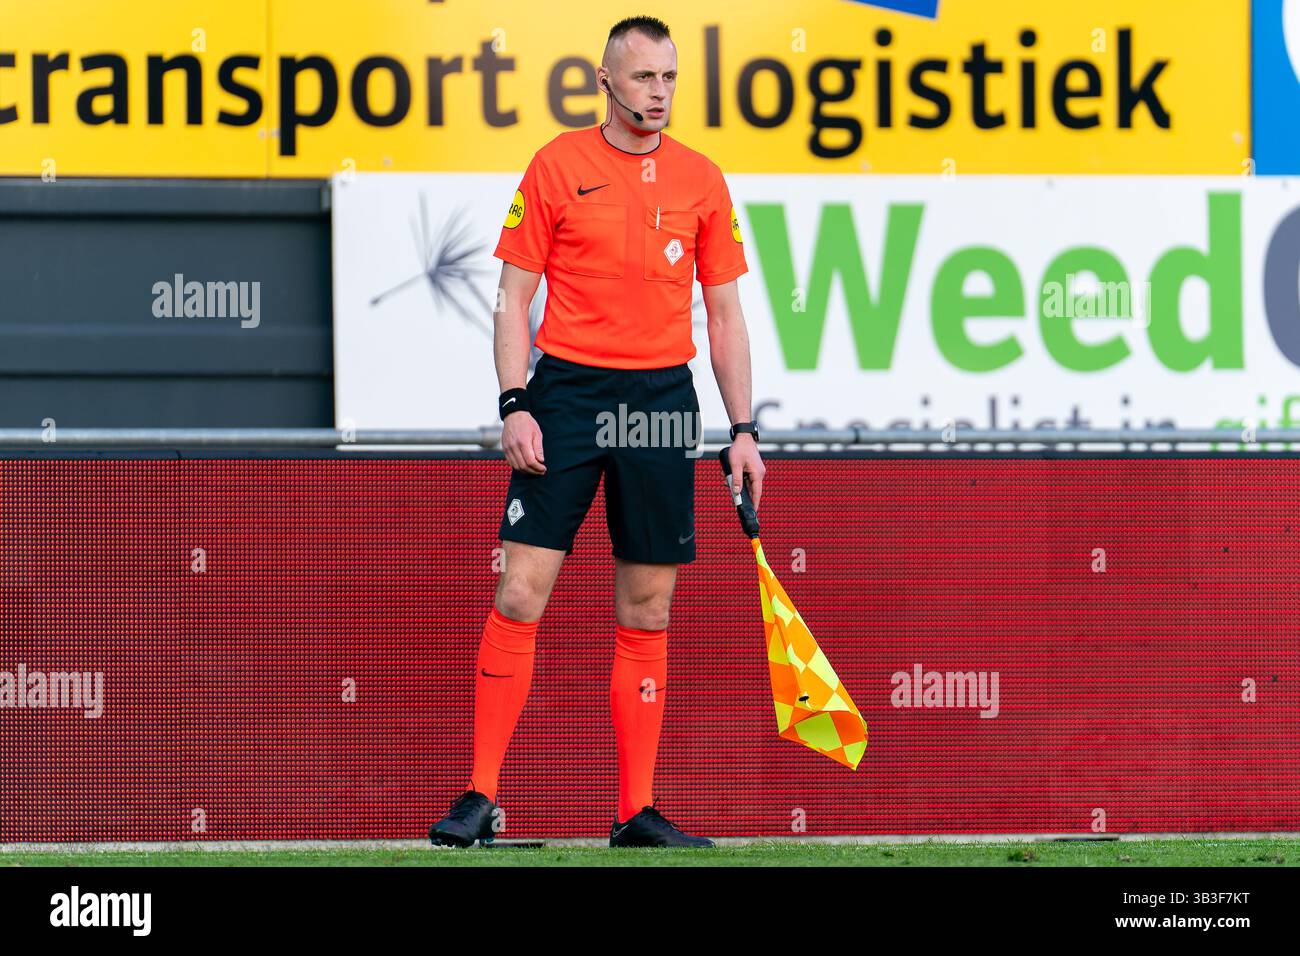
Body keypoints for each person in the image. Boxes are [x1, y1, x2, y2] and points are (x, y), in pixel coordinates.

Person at [429, 14, 764, 849]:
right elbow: (511, 300)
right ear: (605, 81)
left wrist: (743, 429)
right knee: (519, 590)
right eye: (645, 77)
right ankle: (478, 799)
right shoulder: (555, 165)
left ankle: (634, 813)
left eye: (670, 78)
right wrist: (515, 402)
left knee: (647, 608)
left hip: (660, 401)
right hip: (567, 394)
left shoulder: (702, 180)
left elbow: (724, 316)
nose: (660, 93)